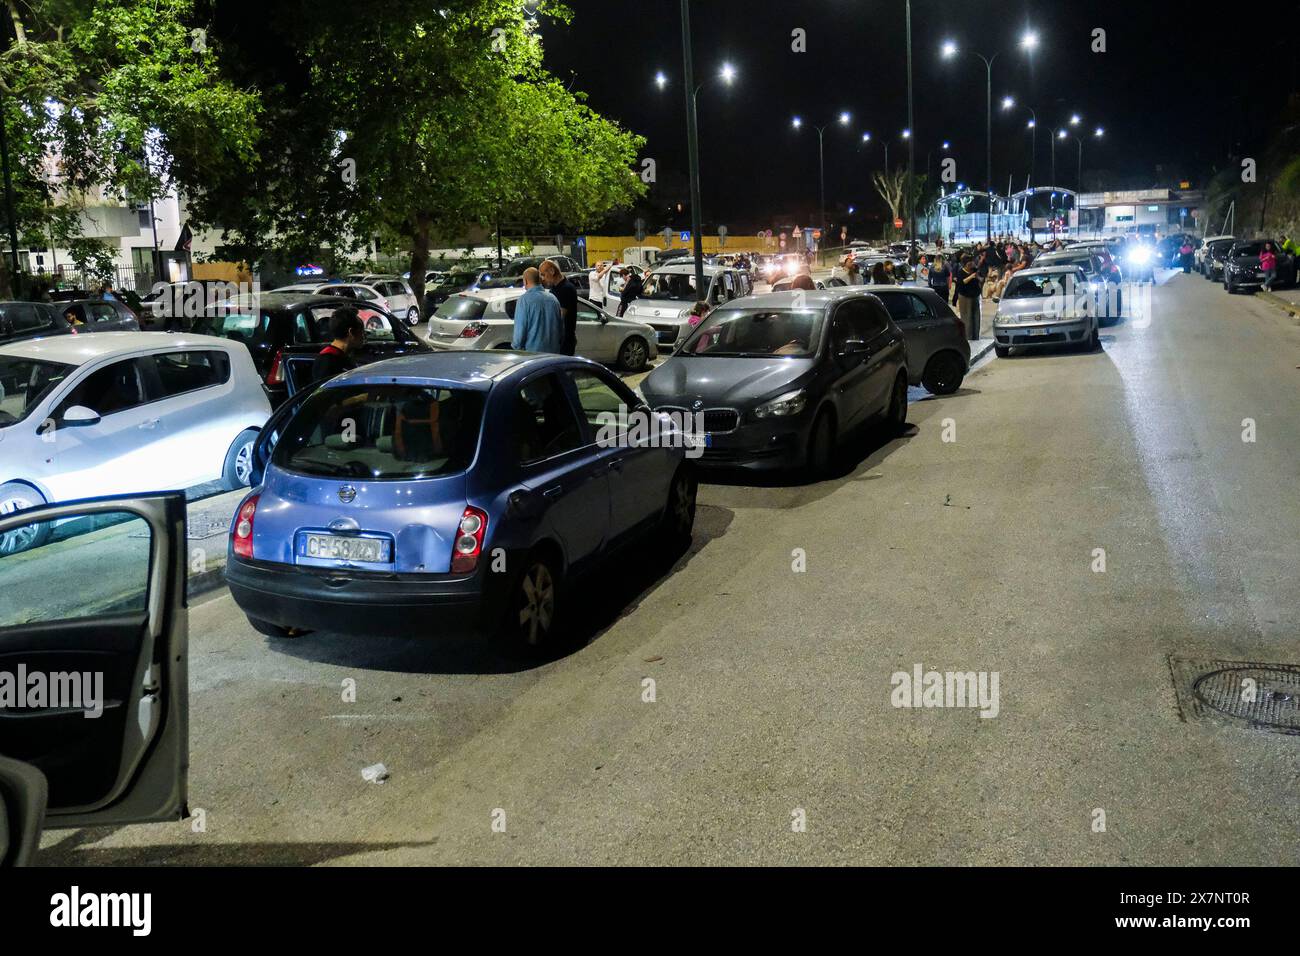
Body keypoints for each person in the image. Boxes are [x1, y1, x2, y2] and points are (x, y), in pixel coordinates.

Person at [511, 267, 564, 352]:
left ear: (525, 281)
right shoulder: (553, 299)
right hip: (554, 354)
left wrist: (517, 348)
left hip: (533, 356)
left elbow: (520, 330)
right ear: (539, 280)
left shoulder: (524, 300)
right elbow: (561, 329)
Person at [312, 307, 365, 382]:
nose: (364, 336)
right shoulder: (326, 361)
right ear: (351, 332)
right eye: (362, 332)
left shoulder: (344, 355)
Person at [539, 259, 578, 356]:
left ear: (552, 271)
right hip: (557, 341)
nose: (543, 279)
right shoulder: (554, 289)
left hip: (564, 342)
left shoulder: (567, 289)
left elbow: (558, 316)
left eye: (543, 274)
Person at [952, 256, 982, 336]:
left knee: (976, 317)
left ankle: (975, 335)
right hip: (965, 296)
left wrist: (978, 278)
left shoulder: (974, 270)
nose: (971, 265)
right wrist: (971, 277)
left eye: (971, 263)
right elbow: (961, 283)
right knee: (967, 317)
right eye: (969, 264)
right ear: (965, 264)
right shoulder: (960, 272)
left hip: (975, 296)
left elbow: (980, 279)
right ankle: (968, 336)